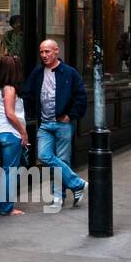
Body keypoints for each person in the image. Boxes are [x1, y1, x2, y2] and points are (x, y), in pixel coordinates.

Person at [22, 39, 88, 212]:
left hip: (62, 123)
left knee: (63, 161)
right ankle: (77, 184)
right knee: (44, 156)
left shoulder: (69, 73)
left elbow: (81, 97)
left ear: (56, 51)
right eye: (42, 52)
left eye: (47, 52)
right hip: (45, 124)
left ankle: (58, 198)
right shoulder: (38, 72)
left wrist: (70, 116)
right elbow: (27, 93)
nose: (44, 55)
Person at [0, 54, 28, 216]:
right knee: (11, 170)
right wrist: (23, 131)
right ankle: (6, 207)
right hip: (10, 134)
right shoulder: (10, 89)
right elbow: (10, 114)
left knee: (10, 170)